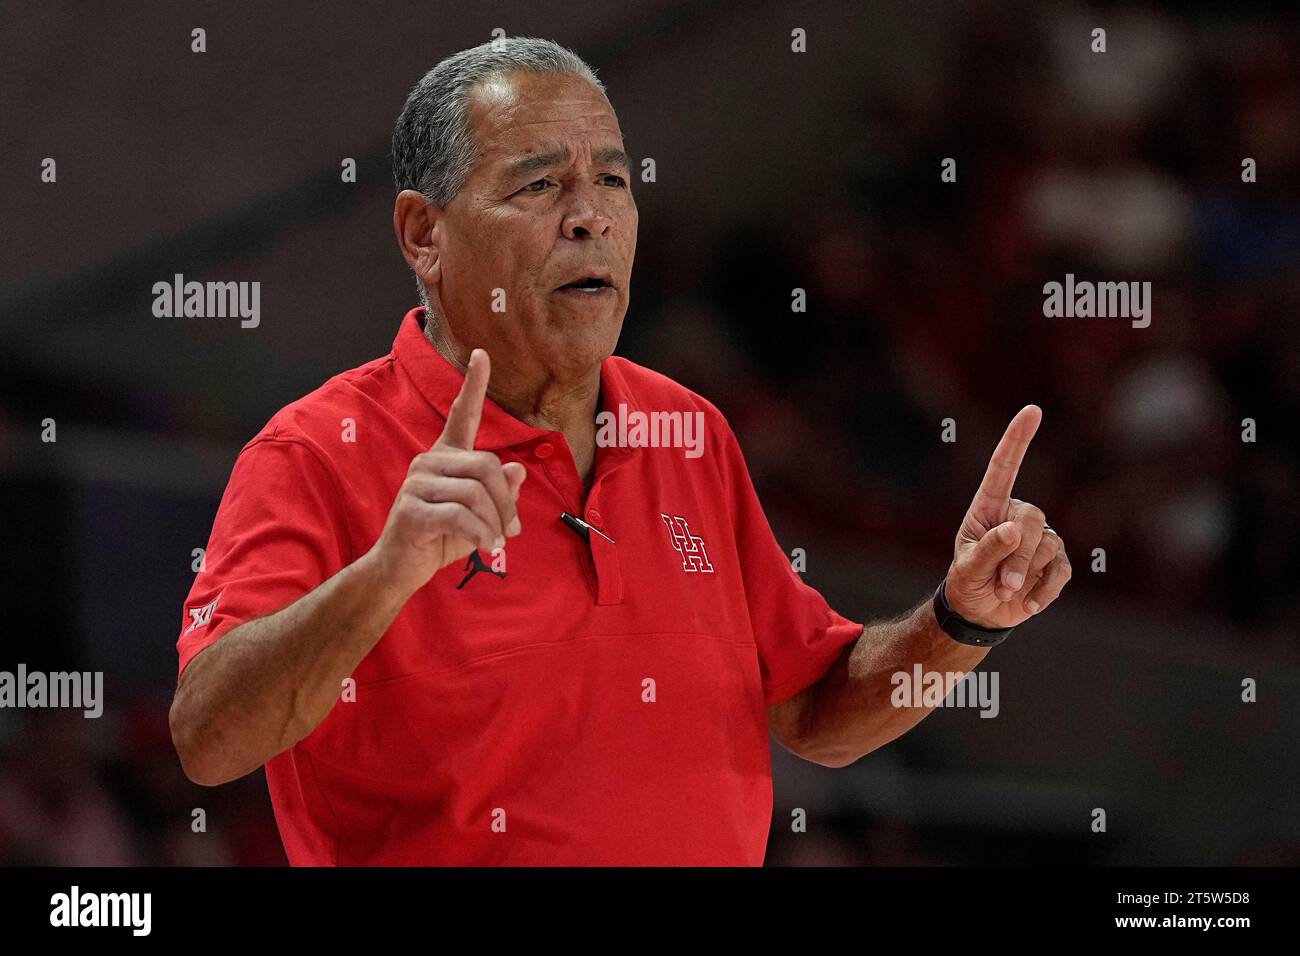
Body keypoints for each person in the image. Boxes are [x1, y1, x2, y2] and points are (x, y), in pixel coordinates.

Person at [169, 36, 1070, 865]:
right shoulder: (317, 452)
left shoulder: (690, 432)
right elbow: (209, 738)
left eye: (612, 181)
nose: (590, 217)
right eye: (539, 186)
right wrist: (384, 575)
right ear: (424, 233)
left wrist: (961, 619)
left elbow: (817, 713)